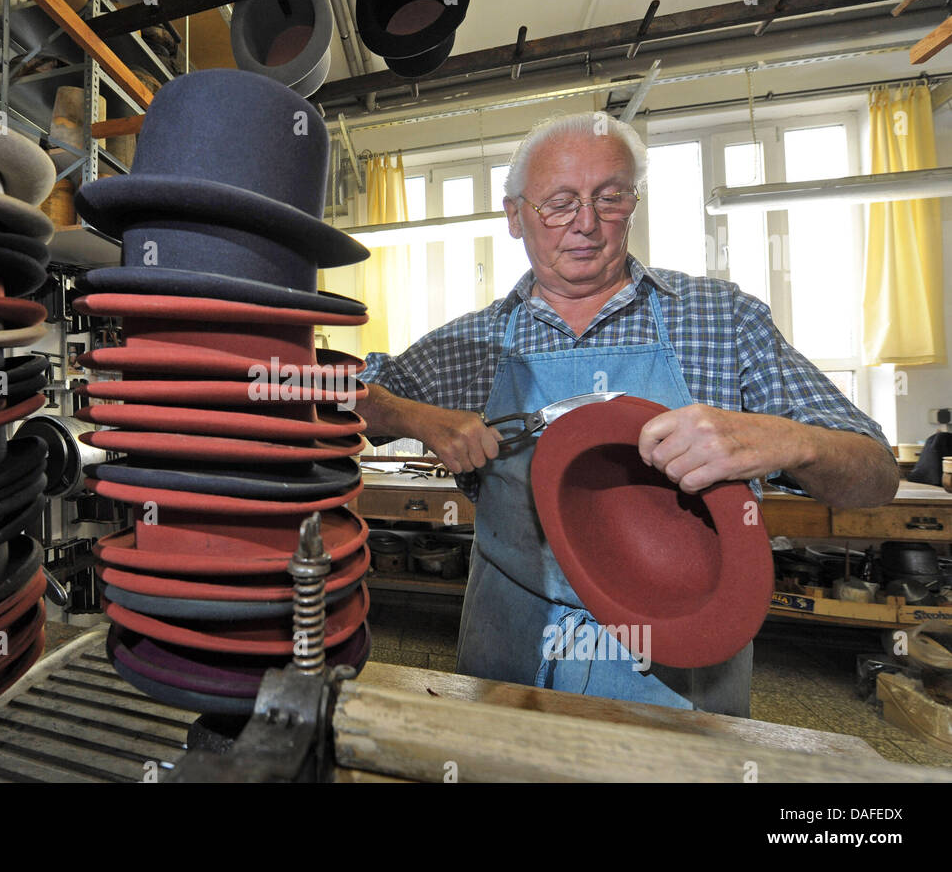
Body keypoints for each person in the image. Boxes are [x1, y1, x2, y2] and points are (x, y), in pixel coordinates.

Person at [355, 111, 898, 717]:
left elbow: (875, 475)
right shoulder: (469, 344)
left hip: (675, 674)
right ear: (515, 217)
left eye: (608, 198)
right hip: (510, 660)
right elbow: (333, 400)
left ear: (632, 204)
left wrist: (794, 440)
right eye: (559, 203)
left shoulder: (721, 320)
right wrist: (413, 417)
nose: (586, 223)